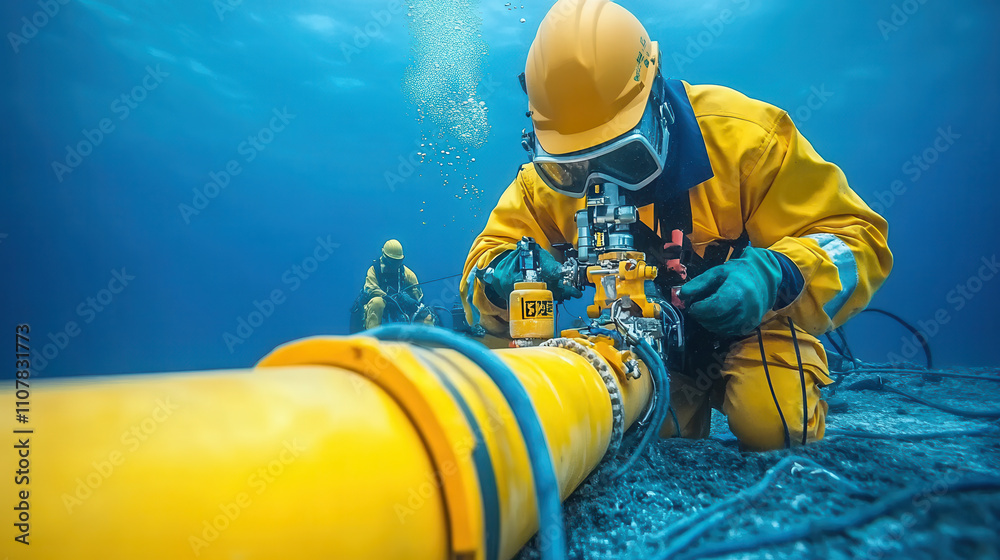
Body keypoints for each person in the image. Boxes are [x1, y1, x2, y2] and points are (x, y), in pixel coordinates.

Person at [460, 0, 892, 451]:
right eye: (573, 169)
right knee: (653, 436)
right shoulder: (542, 187)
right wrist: (502, 279)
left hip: (752, 329)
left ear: (657, 104)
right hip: (642, 344)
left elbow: (857, 239)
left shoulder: (746, 140)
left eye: (624, 157)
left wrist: (775, 276)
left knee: (775, 421)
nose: (600, 182)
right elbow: (480, 271)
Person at [359, 240, 429, 330]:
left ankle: (421, 341)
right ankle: (373, 337)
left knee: (426, 314)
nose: (395, 266)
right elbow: (371, 289)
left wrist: (412, 302)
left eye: (398, 262)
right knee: (377, 303)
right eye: (392, 262)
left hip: (400, 309)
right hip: (382, 307)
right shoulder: (374, 270)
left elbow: (417, 295)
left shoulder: (407, 273)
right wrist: (389, 298)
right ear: (385, 258)